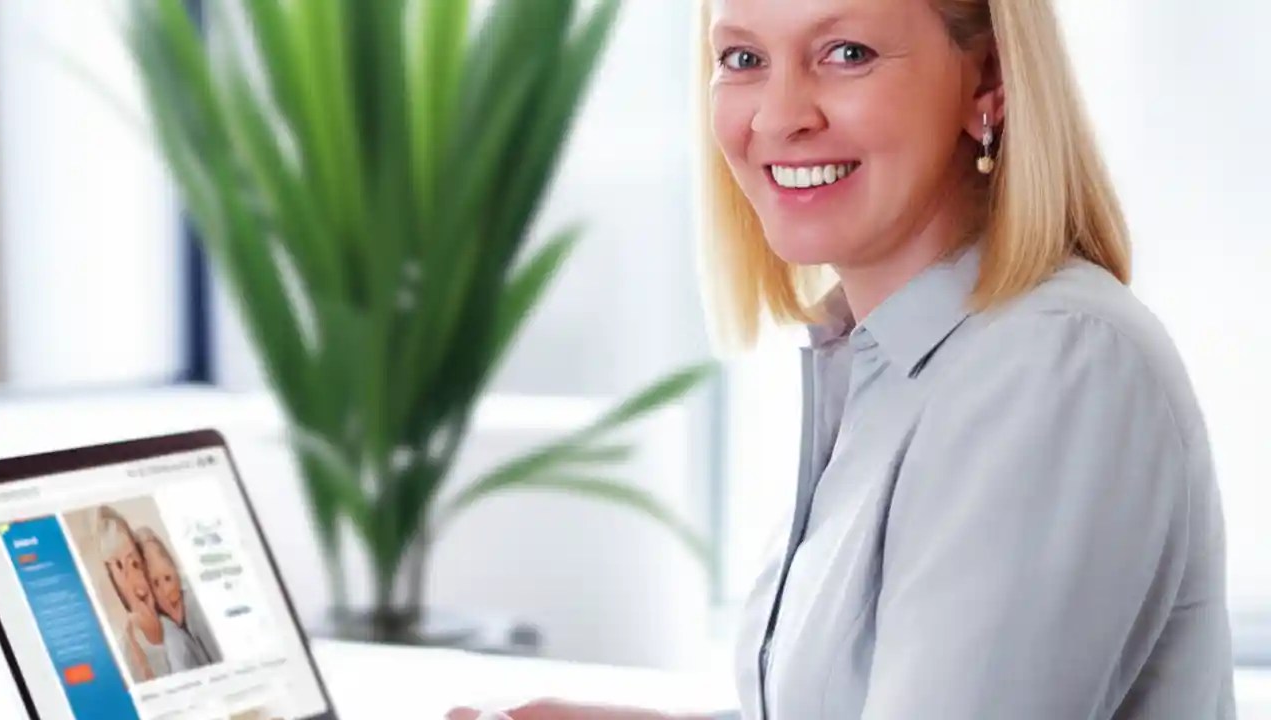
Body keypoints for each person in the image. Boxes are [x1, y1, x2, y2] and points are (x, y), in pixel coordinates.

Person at [449, 0, 1236, 717]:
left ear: (988, 81)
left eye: (847, 52)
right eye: (743, 59)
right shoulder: (887, 361)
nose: (779, 116)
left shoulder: (1054, 368)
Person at [97, 505, 169, 682]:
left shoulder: (183, 613)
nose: (134, 580)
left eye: (135, 564)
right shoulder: (124, 653)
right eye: (120, 568)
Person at [136, 527, 218, 672]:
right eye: (155, 583)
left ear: (175, 571)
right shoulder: (166, 633)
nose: (167, 591)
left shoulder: (196, 603)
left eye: (168, 578)